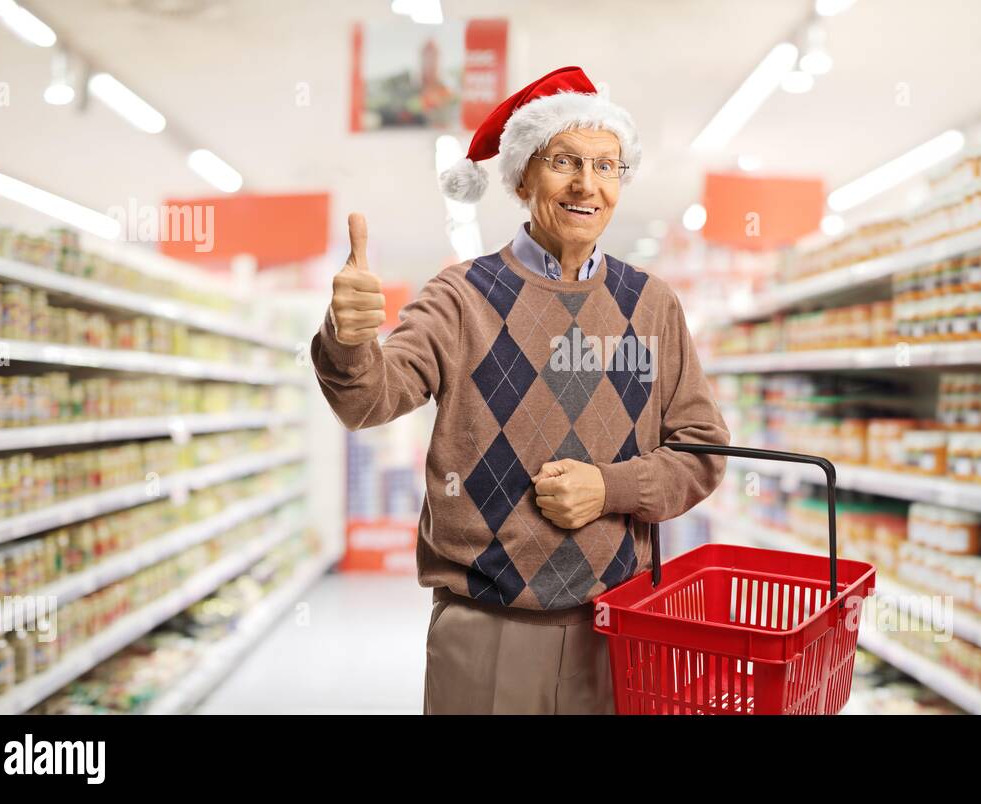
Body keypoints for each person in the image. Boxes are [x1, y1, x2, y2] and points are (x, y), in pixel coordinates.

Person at [310, 66, 730, 715]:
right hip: (484, 634)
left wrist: (610, 488)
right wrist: (347, 337)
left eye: (607, 165)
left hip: (618, 631)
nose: (587, 184)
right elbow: (369, 400)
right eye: (565, 160)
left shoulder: (652, 307)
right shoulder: (461, 298)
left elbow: (703, 453)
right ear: (523, 174)